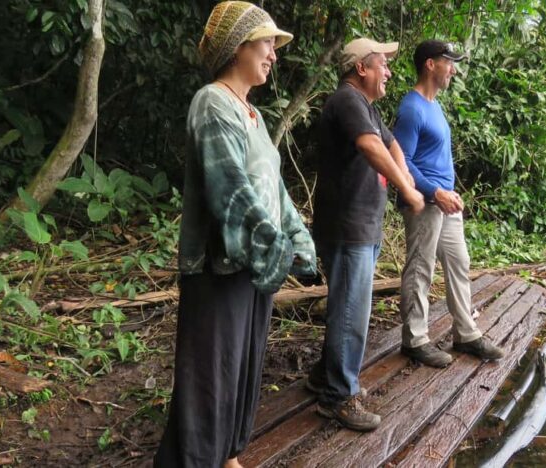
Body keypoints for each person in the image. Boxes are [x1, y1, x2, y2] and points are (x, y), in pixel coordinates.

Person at [154, 3, 316, 467]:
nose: (274, 55)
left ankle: (225, 455)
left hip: (254, 263)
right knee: (209, 377)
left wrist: (298, 239)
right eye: (267, 43)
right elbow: (230, 188)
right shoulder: (212, 102)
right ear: (238, 47)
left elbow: (276, 192)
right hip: (219, 265)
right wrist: (275, 245)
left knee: (240, 369)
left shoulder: (253, 116)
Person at [309, 38, 425, 432]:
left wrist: (406, 176)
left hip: (363, 226)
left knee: (348, 307)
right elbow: (371, 146)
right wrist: (407, 191)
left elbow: (391, 146)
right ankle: (338, 397)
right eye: (383, 65)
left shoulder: (367, 108)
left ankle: (324, 375)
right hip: (347, 228)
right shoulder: (346, 101)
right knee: (350, 313)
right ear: (362, 68)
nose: (389, 72)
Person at [393, 40, 504, 369]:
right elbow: (402, 161)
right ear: (430, 64)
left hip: (446, 203)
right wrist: (433, 192)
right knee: (420, 269)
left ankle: (466, 334)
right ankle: (414, 340)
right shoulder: (411, 108)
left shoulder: (435, 106)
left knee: (459, 263)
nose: (453, 69)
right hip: (425, 203)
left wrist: (448, 193)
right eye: (448, 62)